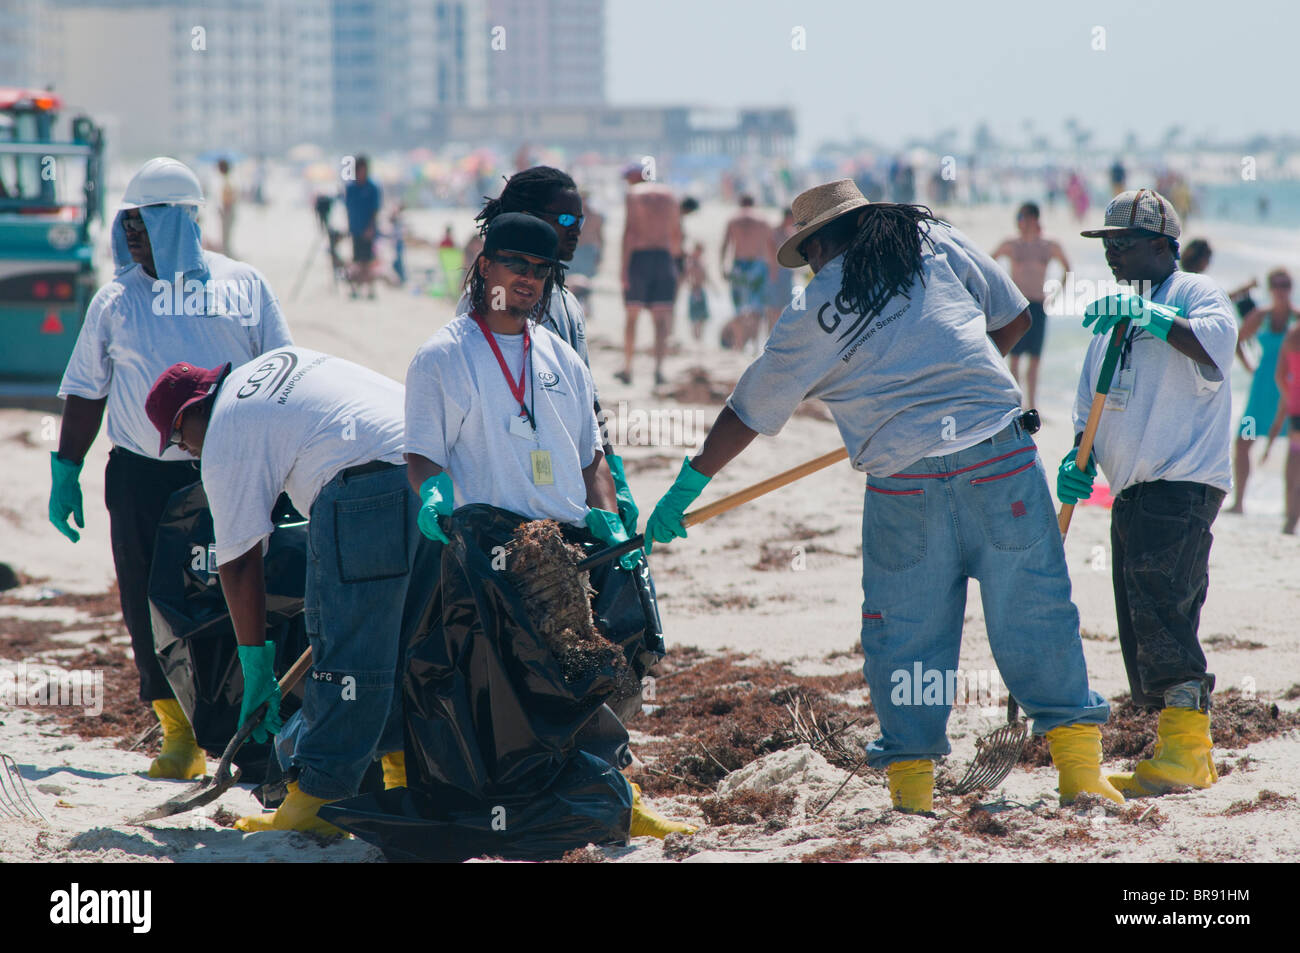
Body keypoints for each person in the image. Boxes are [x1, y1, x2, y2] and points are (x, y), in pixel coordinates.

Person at [643, 180, 1121, 813]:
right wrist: (950, 388)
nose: (812, 266)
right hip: (998, 456)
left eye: (810, 254)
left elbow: (750, 411)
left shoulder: (813, 306)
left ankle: (914, 792)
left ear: (819, 243)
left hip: (904, 481)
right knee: (1034, 609)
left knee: (906, 631)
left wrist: (690, 482)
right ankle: (1081, 777)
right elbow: (1014, 318)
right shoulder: (934, 238)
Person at [405, 213, 692, 838]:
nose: (529, 279)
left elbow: (590, 456)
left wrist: (610, 522)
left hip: (570, 546)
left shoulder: (561, 354)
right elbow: (421, 451)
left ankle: (615, 793)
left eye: (541, 270)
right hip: (491, 550)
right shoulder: (443, 355)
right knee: (507, 690)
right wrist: (433, 493)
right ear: (484, 265)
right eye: (516, 264)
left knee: (600, 672)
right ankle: (517, 812)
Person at [51, 157, 293, 780]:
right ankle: (178, 735)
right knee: (144, 600)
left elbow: (283, 373)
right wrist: (65, 468)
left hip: (230, 472)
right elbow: (85, 389)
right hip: (142, 476)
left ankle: (253, 720)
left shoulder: (244, 285)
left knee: (239, 593)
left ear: (183, 222)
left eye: (147, 222)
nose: (134, 234)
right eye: (127, 222)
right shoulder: (116, 301)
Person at [143, 348, 430, 834]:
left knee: (346, 658)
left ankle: (317, 802)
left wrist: (256, 663)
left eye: (176, 437)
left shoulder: (225, 432)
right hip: (433, 475)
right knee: (408, 645)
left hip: (366, 490)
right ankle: (404, 781)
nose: (184, 450)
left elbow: (237, 562)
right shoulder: (277, 367)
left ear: (193, 409)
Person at [1059, 188, 1237, 797]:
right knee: (1142, 618)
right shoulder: (1110, 321)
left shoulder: (1194, 294)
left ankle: (1189, 755)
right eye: (1107, 244)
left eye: (1124, 243)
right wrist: (1077, 458)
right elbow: (1090, 408)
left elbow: (1217, 346)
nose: (1113, 254)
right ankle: (1180, 747)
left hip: (1183, 481)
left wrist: (1150, 316)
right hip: (1132, 490)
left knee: (1163, 603)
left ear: (1164, 245)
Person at [465, 166, 639, 537]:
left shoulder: (567, 303)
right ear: (527, 220)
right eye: (563, 218)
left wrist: (615, 483)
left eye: (580, 218)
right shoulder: (488, 303)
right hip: (509, 499)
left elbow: (588, 407)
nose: (576, 229)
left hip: (572, 489)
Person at [1229, 268, 1295, 514]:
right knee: (1243, 442)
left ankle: (1290, 509)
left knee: (1295, 448)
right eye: (1276, 285)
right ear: (1269, 288)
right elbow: (1235, 338)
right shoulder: (1261, 316)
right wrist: (1248, 366)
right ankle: (1239, 503)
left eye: (1285, 284)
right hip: (1261, 388)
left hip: (1288, 391)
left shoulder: (1296, 319)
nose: (1281, 289)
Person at [991, 202, 1070, 411]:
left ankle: (1033, 406)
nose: (1019, 223)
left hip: (1038, 305)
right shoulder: (1011, 244)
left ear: (1034, 219)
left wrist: (1056, 294)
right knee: (1014, 359)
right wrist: (1001, 293)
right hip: (1017, 306)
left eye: (1022, 218)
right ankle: (1015, 404)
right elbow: (990, 263)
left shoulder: (1049, 245)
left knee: (1034, 361)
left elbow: (1067, 268)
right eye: (1018, 219)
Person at [619, 163, 682, 387]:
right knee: (661, 320)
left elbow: (630, 232)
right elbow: (677, 234)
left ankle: (628, 369)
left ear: (637, 176)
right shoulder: (670, 195)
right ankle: (658, 369)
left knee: (632, 316)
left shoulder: (634, 195)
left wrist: (623, 269)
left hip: (639, 257)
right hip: (664, 257)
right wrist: (675, 265)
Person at [720, 195, 778, 352]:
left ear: (740, 203)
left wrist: (722, 267)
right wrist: (773, 269)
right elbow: (771, 246)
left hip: (739, 264)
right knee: (757, 309)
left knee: (739, 307)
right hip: (758, 265)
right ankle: (754, 345)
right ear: (754, 203)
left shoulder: (733, 219)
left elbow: (725, 245)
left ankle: (739, 344)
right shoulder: (762, 219)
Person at [1265, 314, 1300, 532]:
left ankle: (1290, 518)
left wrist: (1290, 397)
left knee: (1294, 463)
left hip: (1296, 409)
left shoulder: (1293, 333)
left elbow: (1280, 376)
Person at [344, 155, 382, 300]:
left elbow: (375, 210)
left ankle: (370, 289)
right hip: (355, 229)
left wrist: (371, 228)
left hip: (368, 230)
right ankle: (355, 288)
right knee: (356, 261)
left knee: (368, 261)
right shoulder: (351, 187)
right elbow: (348, 208)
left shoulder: (372, 187)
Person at [684, 242, 711, 342]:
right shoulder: (691, 262)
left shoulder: (700, 262)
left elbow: (705, 276)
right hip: (695, 290)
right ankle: (696, 338)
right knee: (695, 317)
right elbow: (688, 275)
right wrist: (691, 286)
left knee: (701, 317)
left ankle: (699, 338)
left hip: (700, 290)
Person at [217, 157, 237, 257]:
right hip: (229, 209)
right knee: (226, 235)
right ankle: (227, 253)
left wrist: (224, 209)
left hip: (227, 210)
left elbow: (229, 197)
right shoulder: (229, 179)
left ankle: (227, 255)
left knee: (225, 235)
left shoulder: (227, 180)